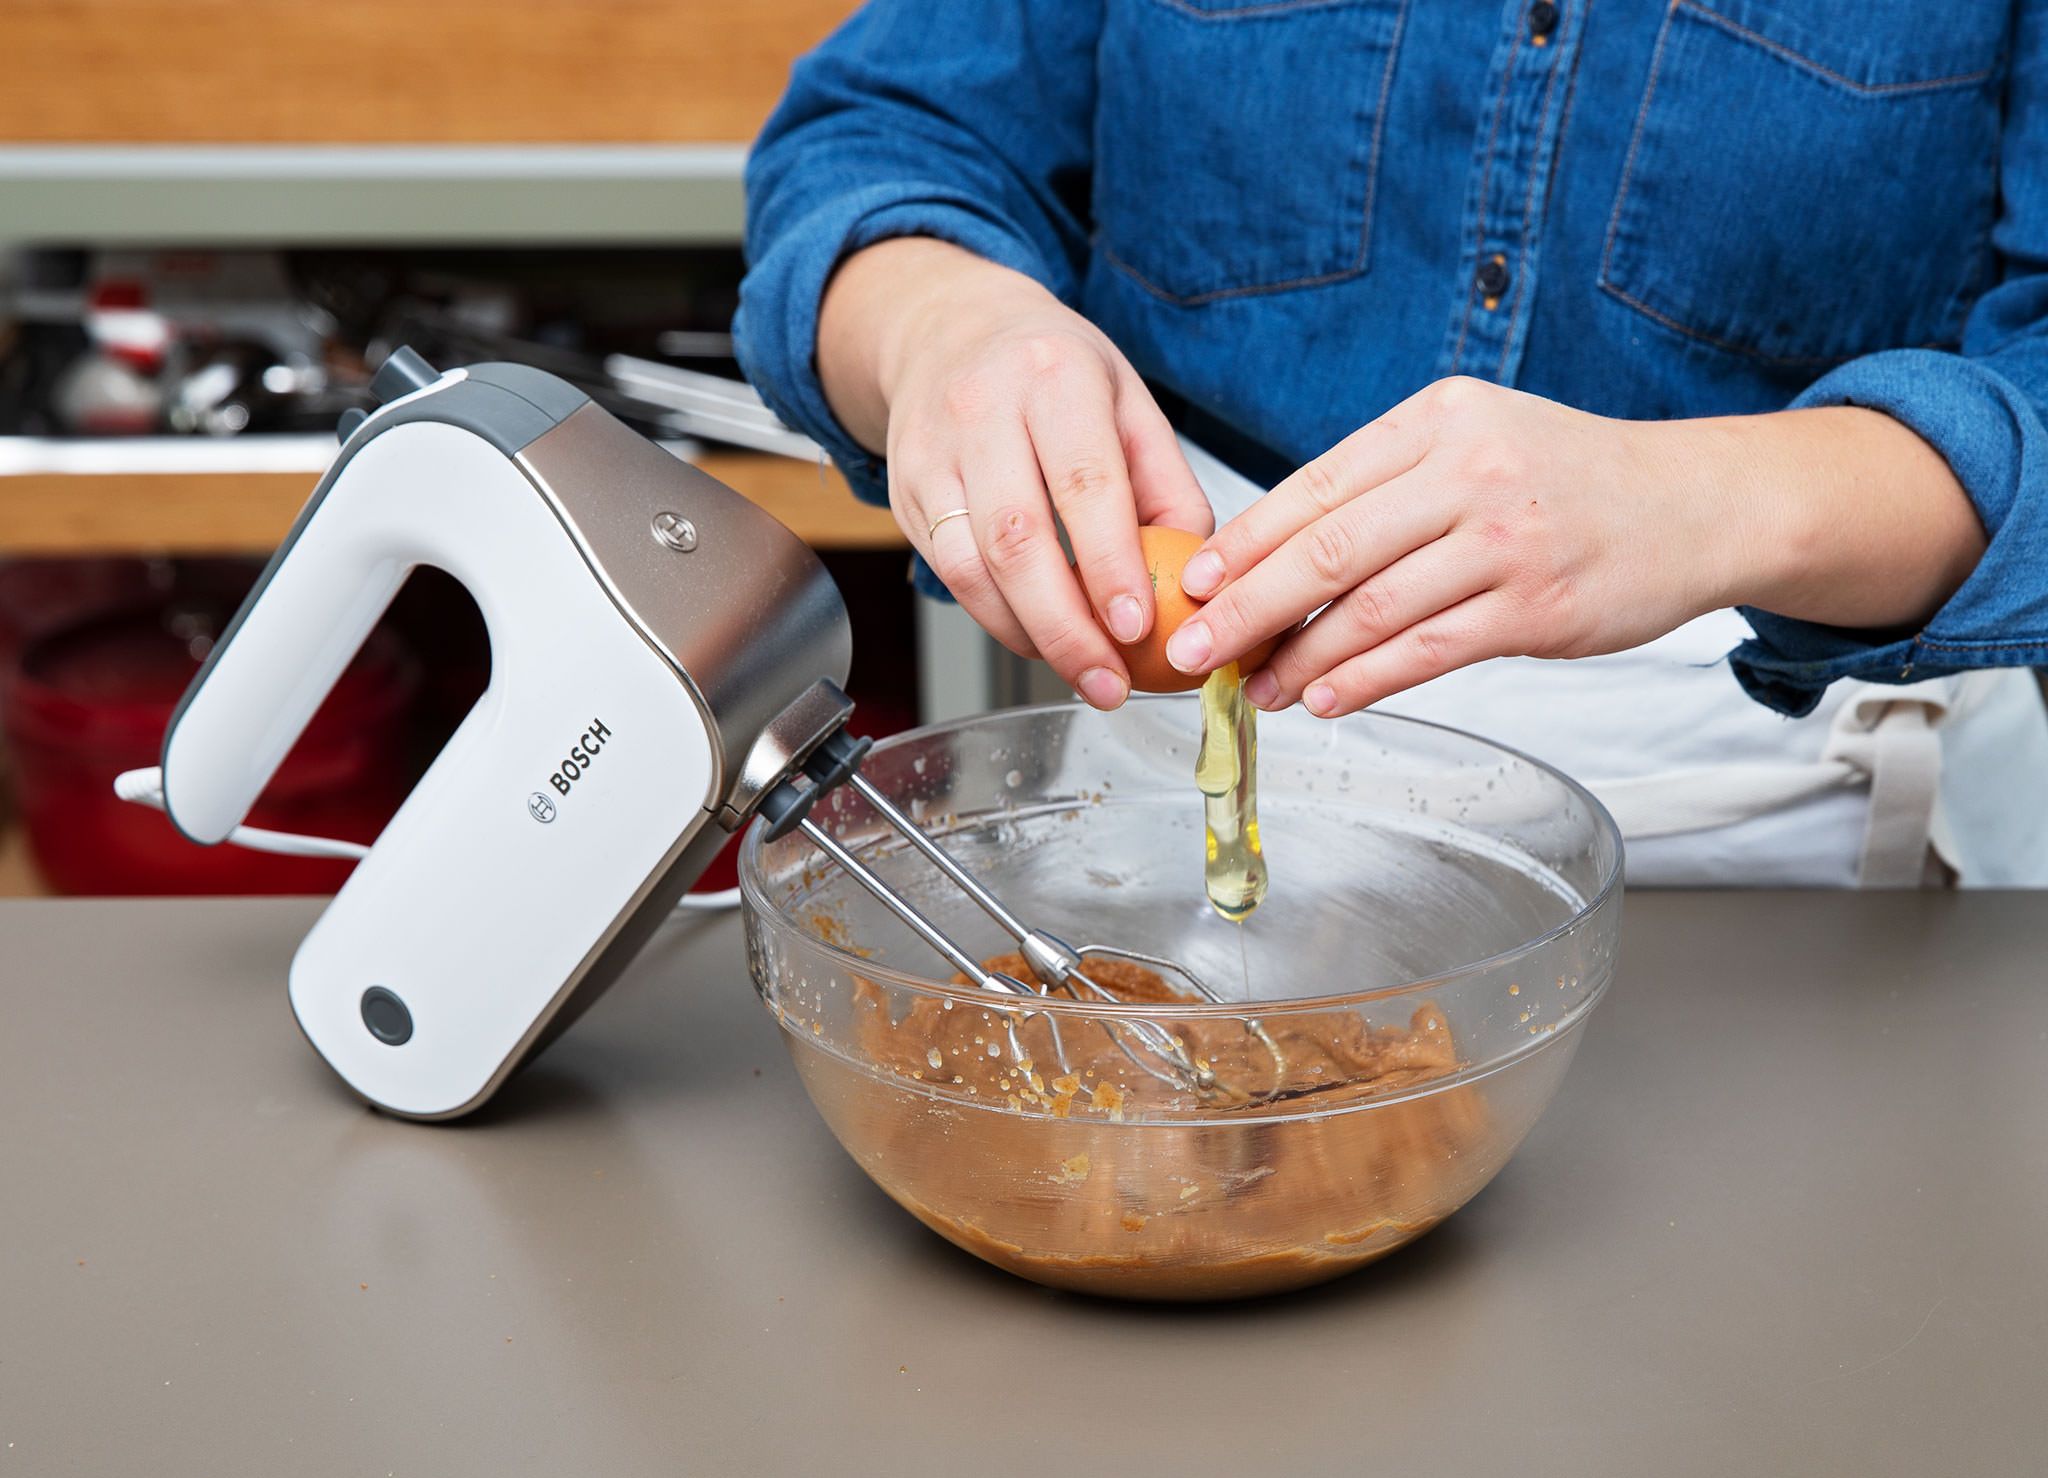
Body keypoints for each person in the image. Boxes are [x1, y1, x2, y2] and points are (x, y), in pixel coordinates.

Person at [735, 0, 2048, 886]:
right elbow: (889, 130)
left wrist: (1710, 502)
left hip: (1798, 861)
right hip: (1163, 814)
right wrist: (937, 317)